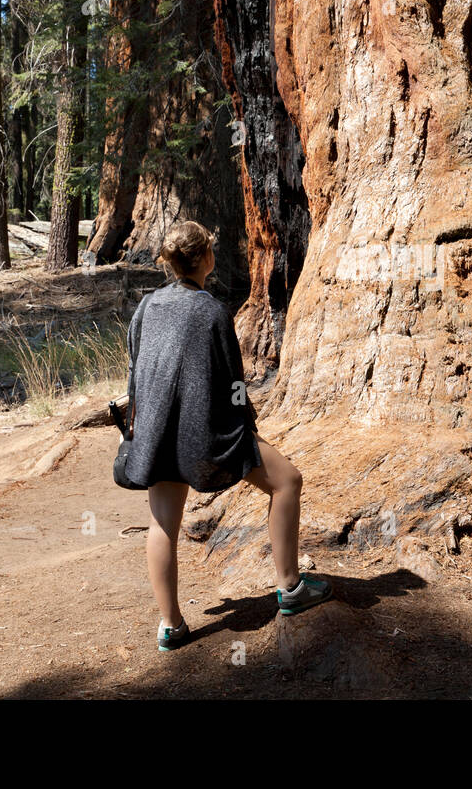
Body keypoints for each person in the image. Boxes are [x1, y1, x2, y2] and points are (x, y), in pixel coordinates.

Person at [123, 220, 331, 651]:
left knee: (163, 522)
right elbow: (234, 382)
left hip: (156, 431)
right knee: (287, 480)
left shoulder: (147, 307)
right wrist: (246, 426)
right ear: (207, 259)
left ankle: (171, 625)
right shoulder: (213, 310)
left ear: (168, 261)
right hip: (205, 434)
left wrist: (139, 427)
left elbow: (134, 370)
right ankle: (290, 588)